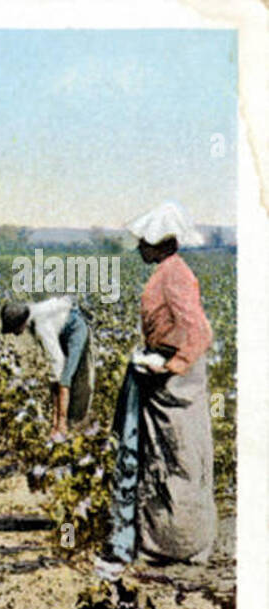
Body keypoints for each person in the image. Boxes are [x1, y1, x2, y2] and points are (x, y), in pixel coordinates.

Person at [96, 201, 216, 579]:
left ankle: (164, 544)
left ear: (160, 244)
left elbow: (199, 332)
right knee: (158, 456)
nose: (140, 249)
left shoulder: (174, 274)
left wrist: (171, 365)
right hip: (160, 374)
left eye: (144, 243)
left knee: (169, 457)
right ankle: (146, 541)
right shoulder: (169, 270)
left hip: (171, 382)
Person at [0, 294, 94, 442]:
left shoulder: (40, 326)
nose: (15, 333)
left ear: (21, 323)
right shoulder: (29, 313)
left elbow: (57, 362)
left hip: (76, 330)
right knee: (57, 380)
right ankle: (57, 424)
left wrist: (57, 381)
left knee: (65, 379)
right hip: (62, 328)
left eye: (14, 329)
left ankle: (63, 426)